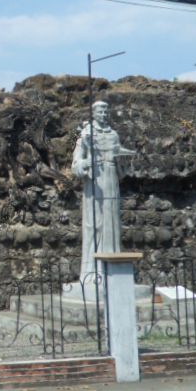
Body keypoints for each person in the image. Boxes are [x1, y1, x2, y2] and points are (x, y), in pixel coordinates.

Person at [72, 101, 135, 280]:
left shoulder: (113, 135)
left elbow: (120, 168)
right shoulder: (85, 135)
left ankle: (112, 271)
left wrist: (123, 160)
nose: (104, 113)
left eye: (106, 110)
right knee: (95, 224)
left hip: (111, 180)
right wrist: (84, 164)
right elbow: (76, 163)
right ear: (93, 112)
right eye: (100, 110)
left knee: (112, 223)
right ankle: (92, 271)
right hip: (94, 181)